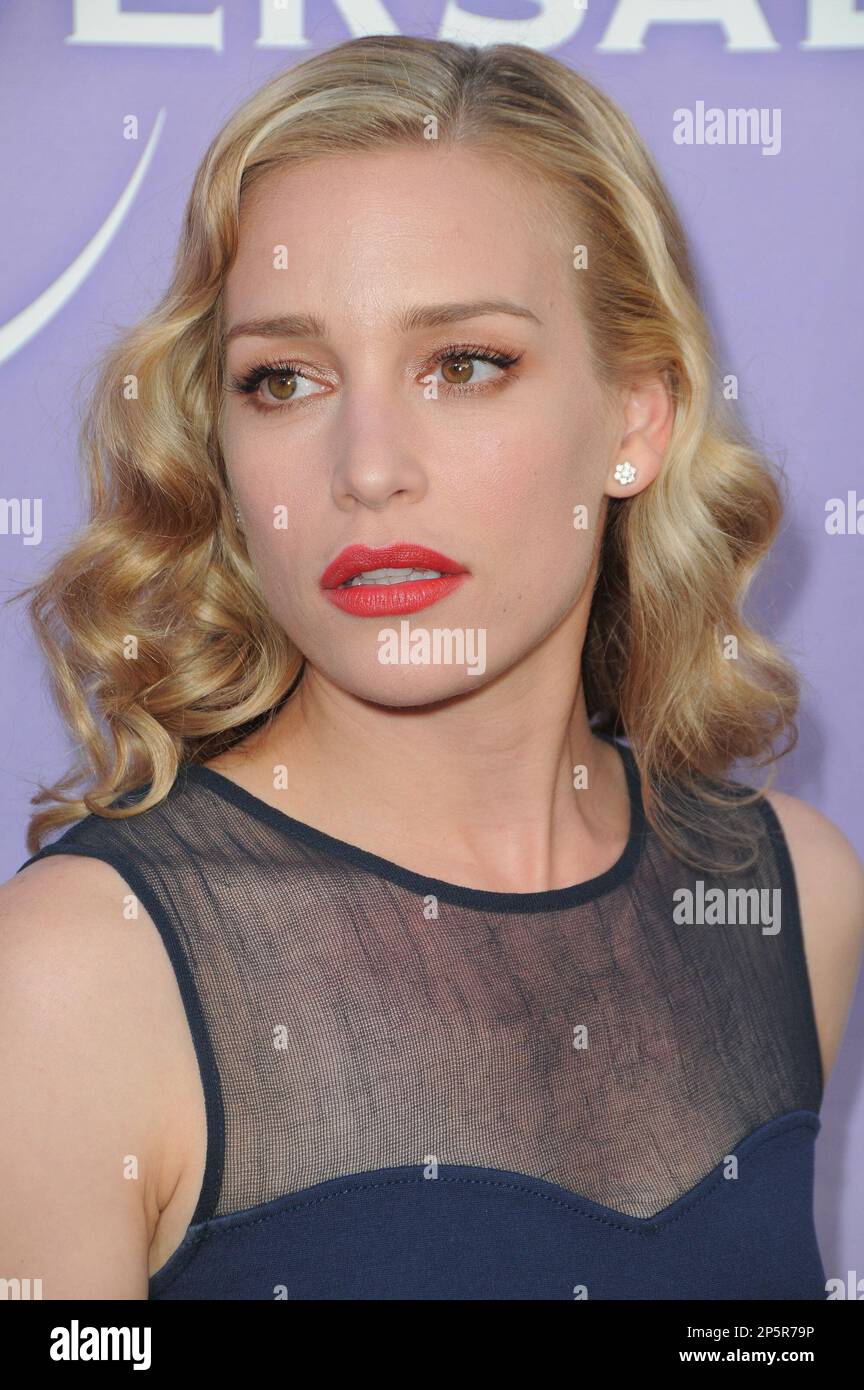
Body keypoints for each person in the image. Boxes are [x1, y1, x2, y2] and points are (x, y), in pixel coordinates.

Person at [1, 34, 861, 1302]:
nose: (366, 467)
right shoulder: (77, 973)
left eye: (464, 364)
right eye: (283, 379)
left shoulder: (792, 894)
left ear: (637, 417)